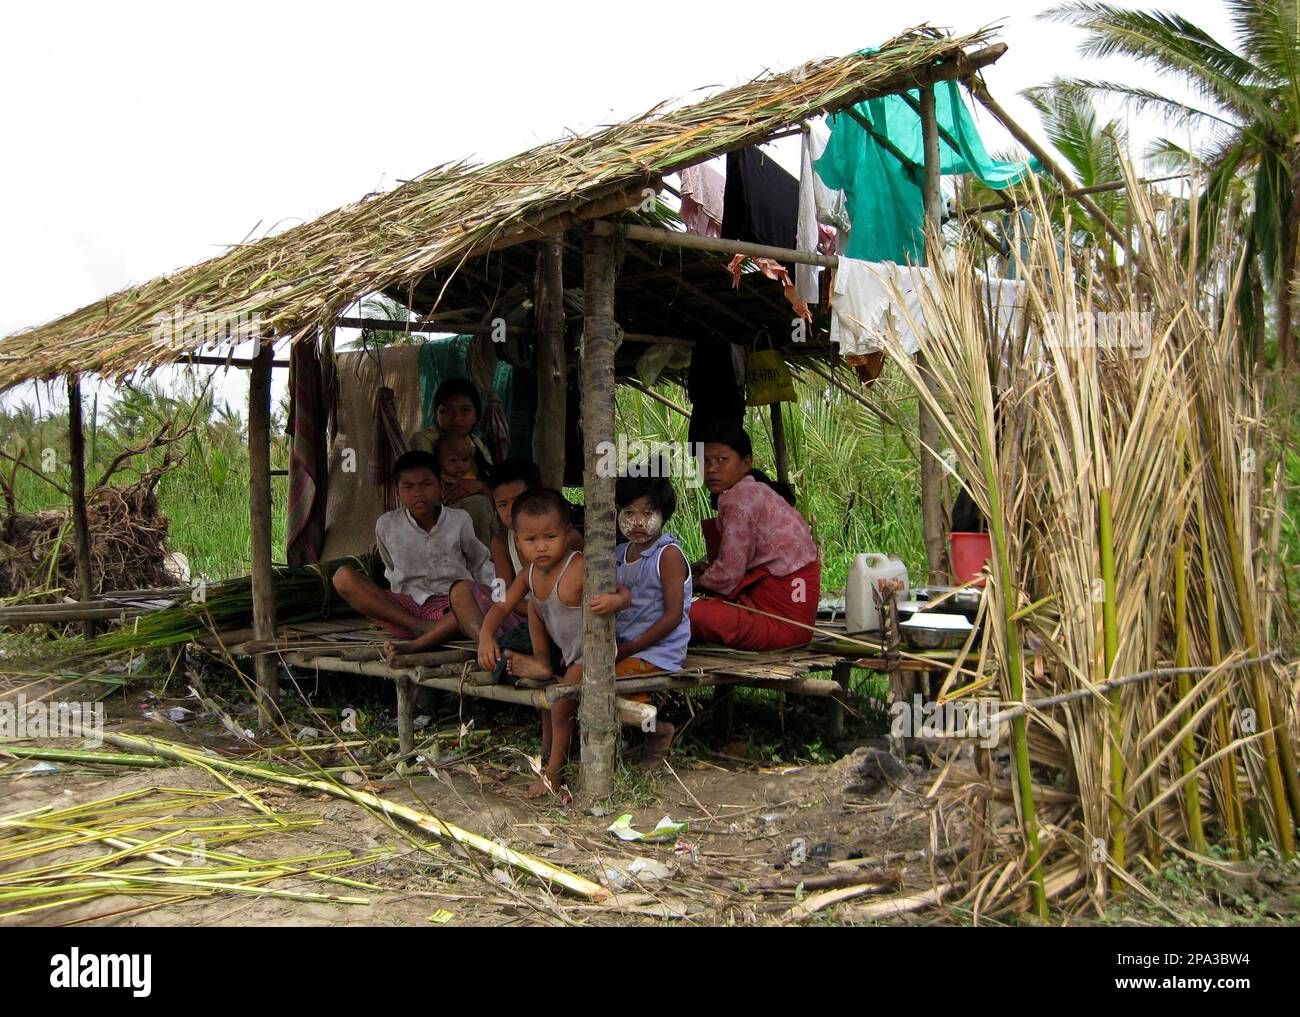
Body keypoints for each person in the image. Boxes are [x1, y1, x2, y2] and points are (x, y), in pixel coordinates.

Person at [475, 488, 628, 800]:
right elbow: (502, 607)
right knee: (533, 603)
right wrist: (485, 637)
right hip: (564, 652)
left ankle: (553, 772)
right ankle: (543, 664)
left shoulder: (578, 567)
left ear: (567, 533)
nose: (541, 547)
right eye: (531, 540)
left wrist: (613, 601)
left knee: (559, 705)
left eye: (550, 537)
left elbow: (625, 593)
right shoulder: (529, 573)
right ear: (517, 541)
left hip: (591, 654)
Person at [331, 450, 509, 656]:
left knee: (469, 601)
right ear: (397, 493)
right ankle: (421, 628)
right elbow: (390, 567)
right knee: (343, 577)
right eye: (408, 487)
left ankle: (423, 640)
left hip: (451, 605)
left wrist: (495, 598)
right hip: (405, 608)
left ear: (440, 487)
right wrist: (410, 617)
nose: (418, 493)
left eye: (426, 484)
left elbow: (479, 563)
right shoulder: (386, 524)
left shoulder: (459, 520)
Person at [689, 423, 821, 651]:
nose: (711, 469)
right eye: (705, 461)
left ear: (746, 463)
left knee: (687, 613)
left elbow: (728, 576)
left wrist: (692, 582)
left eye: (722, 460)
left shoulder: (738, 499)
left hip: (780, 623)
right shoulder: (759, 492)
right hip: (796, 620)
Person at [605, 470, 692, 767]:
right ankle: (636, 730)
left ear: (663, 513)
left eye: (648, 512)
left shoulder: (667, 555)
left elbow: (673, 616)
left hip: (659, 649)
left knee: (605, 684)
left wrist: (629, 649)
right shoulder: (618, 554)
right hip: (625, 645)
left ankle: (657, 731)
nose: (638, 521)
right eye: (629, 512)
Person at [409, 378, 497, 546]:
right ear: (436, 413)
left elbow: (489, 487)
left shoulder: (477, 445)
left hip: (476, 515)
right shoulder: (424, 440)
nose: (456, 418)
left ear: (476, 415)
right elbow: (427, 486)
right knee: (478, 505)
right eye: (446, 411)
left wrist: (479, 486)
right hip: (436, 512)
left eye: (465, 411)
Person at [486, 457, 583, 588]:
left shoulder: (568, 538)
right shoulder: (500, 544)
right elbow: (502, 594)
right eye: (502, 504)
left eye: (518, 500)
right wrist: (530, 609)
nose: (511, 510)